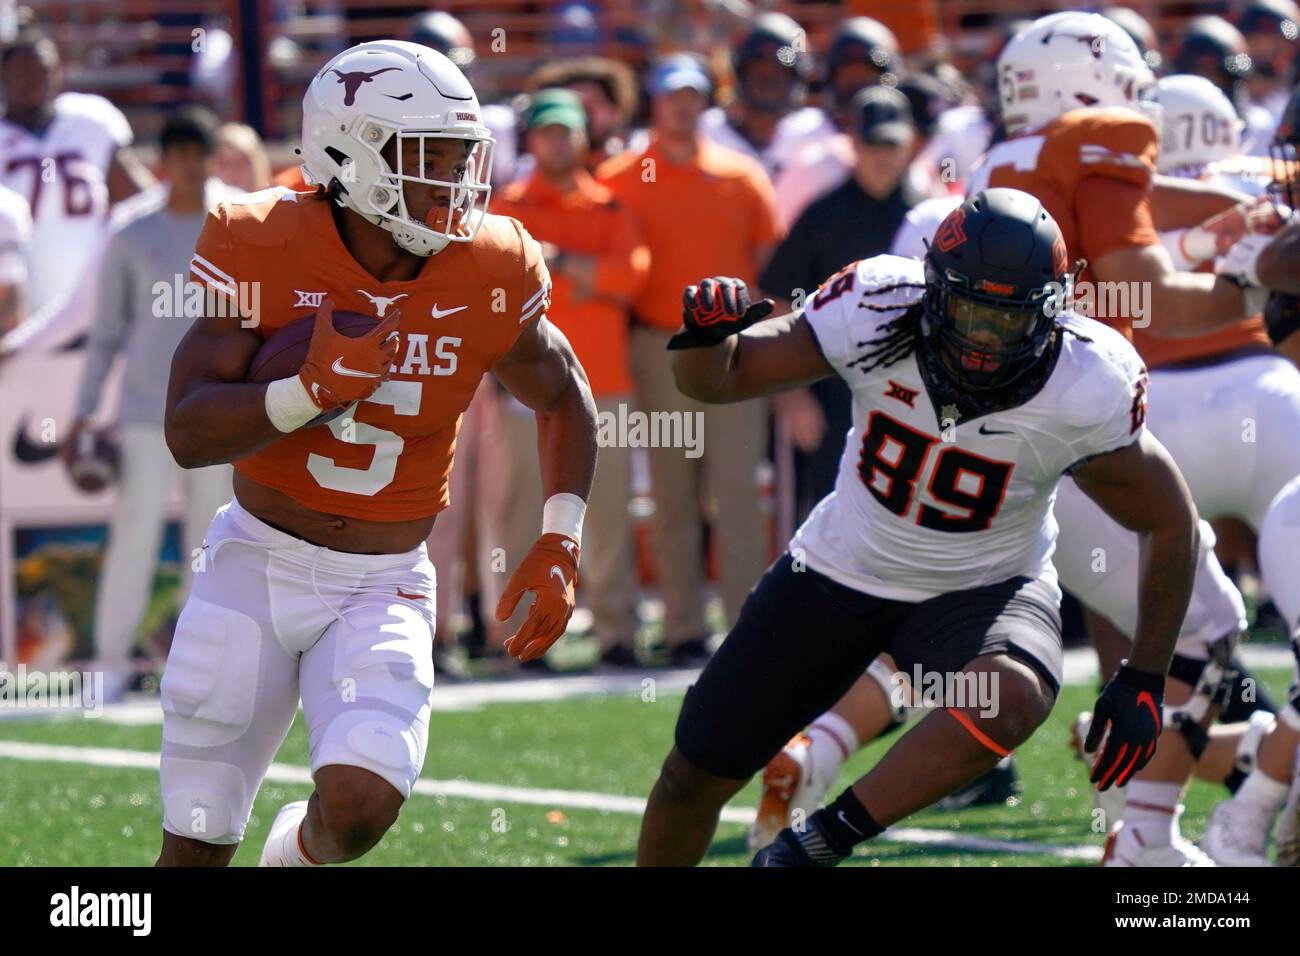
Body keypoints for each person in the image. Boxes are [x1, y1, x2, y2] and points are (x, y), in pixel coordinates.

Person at [637, 188, 1191, 867]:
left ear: (1052, 312)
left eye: (1008, 321)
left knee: (1011, 692)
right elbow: (717, 381)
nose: (986, 340)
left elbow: (1170, 521)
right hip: (839, 570)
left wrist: (1146, 674)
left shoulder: (1085, 382)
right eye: (972, 311)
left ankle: (816, 843)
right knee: (694, 774)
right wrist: (704, 338)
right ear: (932, 288)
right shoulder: (875, 306)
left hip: (983, 587)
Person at [158, 40, 597, 866]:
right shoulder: (260, 239)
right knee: (198, 839)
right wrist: (309, 392)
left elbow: (563, 390)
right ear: (347, 151)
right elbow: (187, 430)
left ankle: (290, 857)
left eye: (462, 156)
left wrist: (561, 535)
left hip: (384, 577)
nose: (454, 182)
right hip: (256, 561)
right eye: (429, 157)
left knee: (361, 806)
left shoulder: (491, 262)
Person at [597, 53, 781, 665]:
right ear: (653, 100)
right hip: (657, 346)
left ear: (706, 101)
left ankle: (747, 625)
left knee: (736, 495)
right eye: (672, 93)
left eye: (693, 94)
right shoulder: (619, 178)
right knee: (673, 495)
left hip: (733, 346)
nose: (682, 105)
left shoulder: (741, 174)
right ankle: (682, 630)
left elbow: (771, 265)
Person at [66, 107, 237, 702]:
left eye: (200, 151)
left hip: (219, 410)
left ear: (214, 156)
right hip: (146, 411)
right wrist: (85, 411)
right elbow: (106, 333)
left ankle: (196, 668)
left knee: (212, 540)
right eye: (180, 152)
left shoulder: (242, 220)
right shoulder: (130, 231)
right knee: (135, 531)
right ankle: (110, 662)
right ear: (162, 161)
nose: (190, 164)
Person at [492, 89, 650, 667]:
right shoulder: (506, 206)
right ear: (530, 138)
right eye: (548, 131)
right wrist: (587, 274)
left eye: (569, 131)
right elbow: (499, 279)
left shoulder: (610, 205)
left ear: (585, 137)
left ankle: (616, 635)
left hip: (601, 382)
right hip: (524, 383)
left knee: (608, 516)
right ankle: (514, 639)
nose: (559, 142)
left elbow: (629, 278)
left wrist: (558, 261)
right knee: (521, 516)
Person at [759, 85, 925, 526]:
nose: (881, 156)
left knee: (902, 522)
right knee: (822, 522)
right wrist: (792, 399)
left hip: (909, 400)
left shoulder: (927, 215)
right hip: (829, 395)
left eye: (891, 144)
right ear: (852, 144)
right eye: (872, 144)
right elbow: (778, 301)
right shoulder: (822, 214)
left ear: (910, 143)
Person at [0, 27, 154, 352]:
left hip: (91, 312)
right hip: (15, 319)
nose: (37, 79)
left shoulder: (90, 122)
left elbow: (142, 200)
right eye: (25, 70)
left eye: (45, 68)